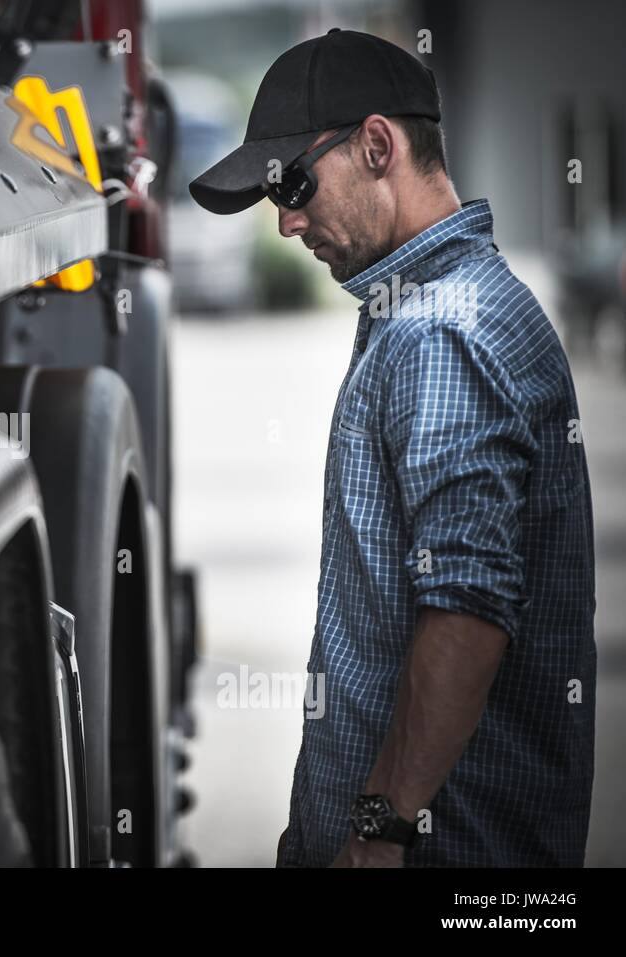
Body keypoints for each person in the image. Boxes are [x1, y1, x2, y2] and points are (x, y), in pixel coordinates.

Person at [189, 28, 596, 867]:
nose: (288, 219)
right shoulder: (453, 304)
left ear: (377, 145)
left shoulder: (439, 334)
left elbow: (467, 609)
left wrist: (379, 830)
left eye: (293, 184)